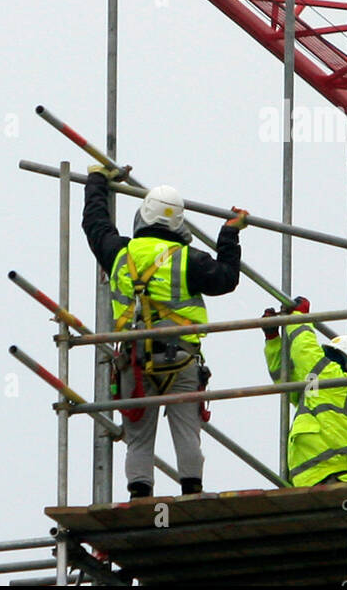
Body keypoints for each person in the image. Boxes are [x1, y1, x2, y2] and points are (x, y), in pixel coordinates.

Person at [83, 167, 246, 499]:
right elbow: (227, 278)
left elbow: (95, 222)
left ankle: (140, 496)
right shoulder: (189, 259)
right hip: (180, 359)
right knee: (187, 430)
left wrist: (97, 180)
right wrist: (230, 234)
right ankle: (192, 492)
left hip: (134, 360)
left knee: (139, 437)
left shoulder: (118, 252)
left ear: (143, 215)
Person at [262, 298, 347, 487]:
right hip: (320, 475)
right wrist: (273, 341)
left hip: (333, 473)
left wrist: (298, 318)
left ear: (346, 364)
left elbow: (305, 352)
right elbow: (285, 379)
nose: (327, 360)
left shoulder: (337, 380)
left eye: (332, 356)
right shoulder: (324, 389)